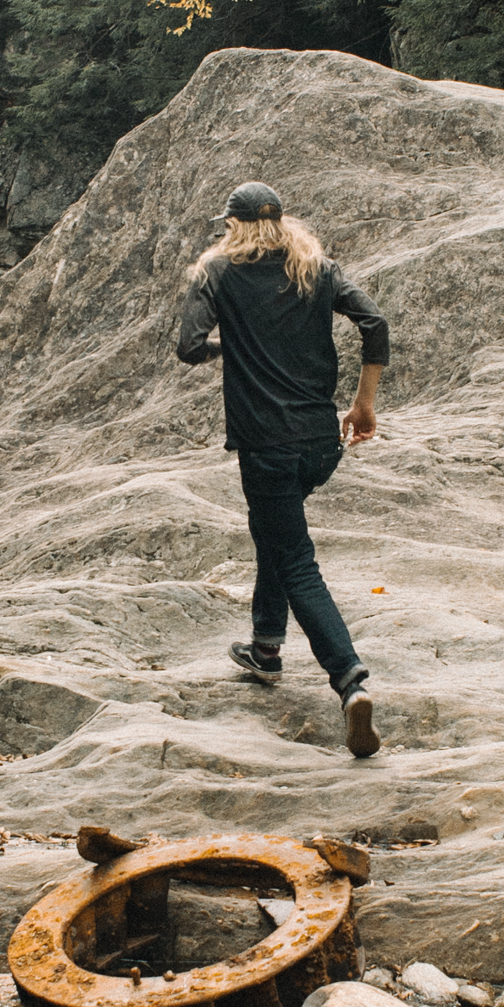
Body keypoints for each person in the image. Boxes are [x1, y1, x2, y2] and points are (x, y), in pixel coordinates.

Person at [176, 181, 389, 758]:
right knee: (275, 527)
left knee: (296, 560)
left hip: (265, 445)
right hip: (321, 444)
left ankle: (350, 682)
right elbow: (375, 323)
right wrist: (364, 403)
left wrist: (234, 348)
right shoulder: (315, 267)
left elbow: (189, 345)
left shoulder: (216, 272)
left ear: (233, 225)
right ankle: (266, 647)